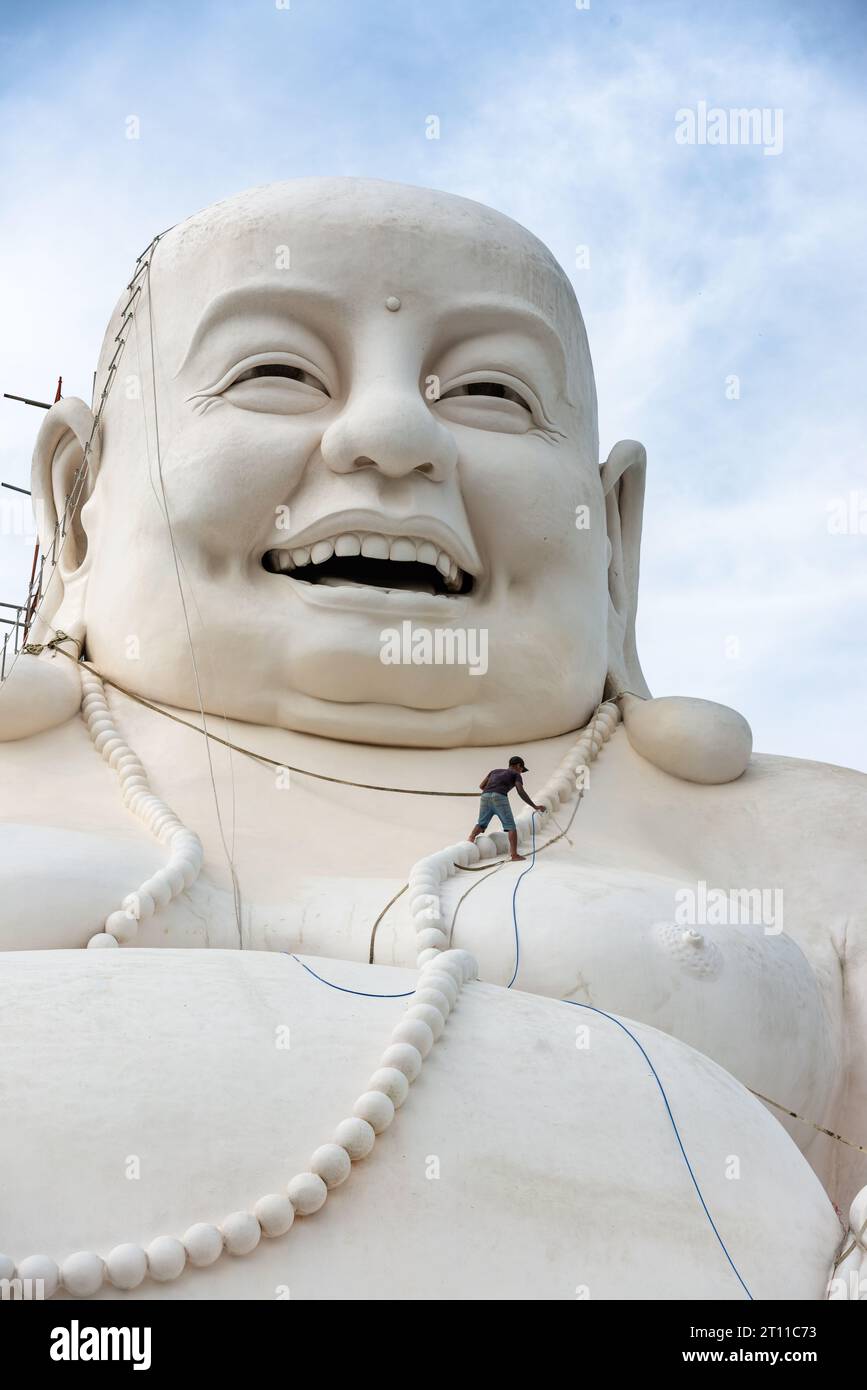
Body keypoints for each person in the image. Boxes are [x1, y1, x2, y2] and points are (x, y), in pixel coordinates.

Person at [468, 756, 544, 861]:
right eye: (522, 769)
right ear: (518, 765)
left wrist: (490, 791)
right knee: (511, 826)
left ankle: (470, 841)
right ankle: (514, 855)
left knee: (481, 823)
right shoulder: (516, 774)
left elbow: (481, 786)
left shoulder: (494, 771)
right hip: (499, 797)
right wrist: (534, 806)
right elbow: (520, 791)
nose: (521, 772)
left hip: (485, 796)